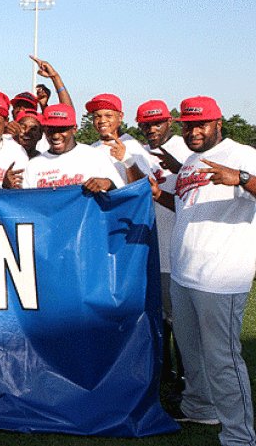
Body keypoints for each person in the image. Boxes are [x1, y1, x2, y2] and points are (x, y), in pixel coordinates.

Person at [150, 96, 256, 446]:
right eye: (188, 125)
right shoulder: (192, 159)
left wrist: (240, 178)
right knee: (192, 353)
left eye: (201, 124)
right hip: (185, 273)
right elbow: (187, 209)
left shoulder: (241, 154)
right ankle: (200, 408)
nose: (194, 130)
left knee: (223, 361)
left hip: (220, 278)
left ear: (218, 123)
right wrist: (158, 194)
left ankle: (240, 437)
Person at [136, 99, 193, 387]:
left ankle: (186, 381)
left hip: (177, 251)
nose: (151, 128)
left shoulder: (187, 151)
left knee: (180, 324)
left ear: (169, 121)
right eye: (146, 123)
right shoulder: (138, 152)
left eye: (157, 122)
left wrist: (179, 169)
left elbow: (192, 198)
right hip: (150, 250)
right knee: (157, 323)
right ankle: (165, 379)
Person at [21, 104, 124, 191]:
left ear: (74, 129)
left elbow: (122, 196)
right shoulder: (33, 165)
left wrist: (108, 184)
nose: (56, 135)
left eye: (62, 129)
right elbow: (26, 206)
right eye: (51, 129)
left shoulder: (95, 157)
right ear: (44, 129)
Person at [85, 93, 151, 184]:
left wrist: (127, 160)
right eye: (97, 116)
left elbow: (147, 186)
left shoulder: (131, 146)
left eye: (108, 116)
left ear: (120, 117)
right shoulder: (92, 148)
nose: (102, 121)